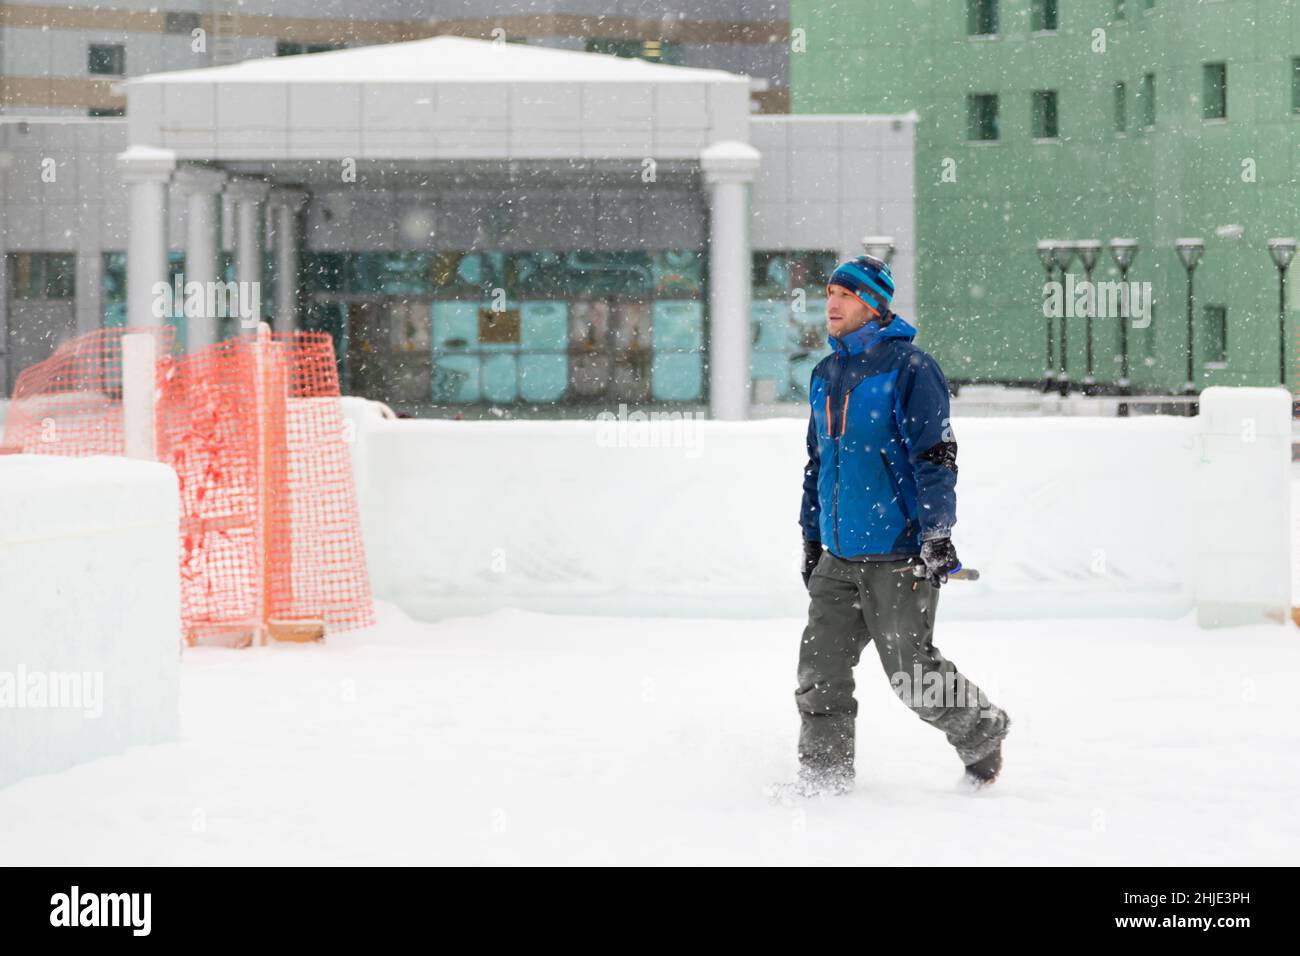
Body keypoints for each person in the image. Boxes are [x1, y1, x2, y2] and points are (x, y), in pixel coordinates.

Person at [786, 254, 1010, 797]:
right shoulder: (825, 373)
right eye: (830, 293)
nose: (831, 304)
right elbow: (819, 462)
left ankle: (982, 731)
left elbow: (936, 457)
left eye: (845, 294)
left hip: (898, 554)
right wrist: (811, 536)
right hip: (838, 557)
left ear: (873, 304)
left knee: (913, 678)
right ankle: (824, 779)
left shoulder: (910, 369)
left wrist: (936, 535)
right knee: (820, 673)